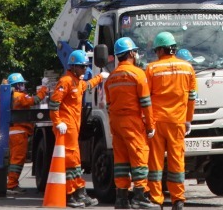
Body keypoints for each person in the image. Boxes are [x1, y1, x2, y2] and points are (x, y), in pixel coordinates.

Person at [144, 33, 196, 210]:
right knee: (176, 162)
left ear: (160, 49)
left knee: (155, 163)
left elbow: (146, 98)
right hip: (178, 122)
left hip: (157, 122)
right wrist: (188, 119)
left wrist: (148, 123)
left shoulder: (151, 69)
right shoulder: (188, 68)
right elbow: (192, 97)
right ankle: (178, 200)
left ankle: (156, 199)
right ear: (173, 48)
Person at [103, 37, 155, 210]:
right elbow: (146, 103)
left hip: (115, 122)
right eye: (135, 51)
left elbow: (109, 104)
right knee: (139, 155)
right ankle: (140, 196)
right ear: (131, 53)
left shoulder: (111, 77)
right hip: (132, 120)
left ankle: (122, 198)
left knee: (121, 159)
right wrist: (150, 126)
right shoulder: (138, 74)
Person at [51, 52, 97, 207]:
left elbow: (89, 85)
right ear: (74, 66)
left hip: (73, 126)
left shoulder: (78, 82)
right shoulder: (66, 81)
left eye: (86, 66)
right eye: (82, 66)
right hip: (66, 126)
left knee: (76, 160)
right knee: (71, 160)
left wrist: (101, 78)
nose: (85, 69)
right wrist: (58, 122)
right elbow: (54, 104)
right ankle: (71, 195)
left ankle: (80, 192)